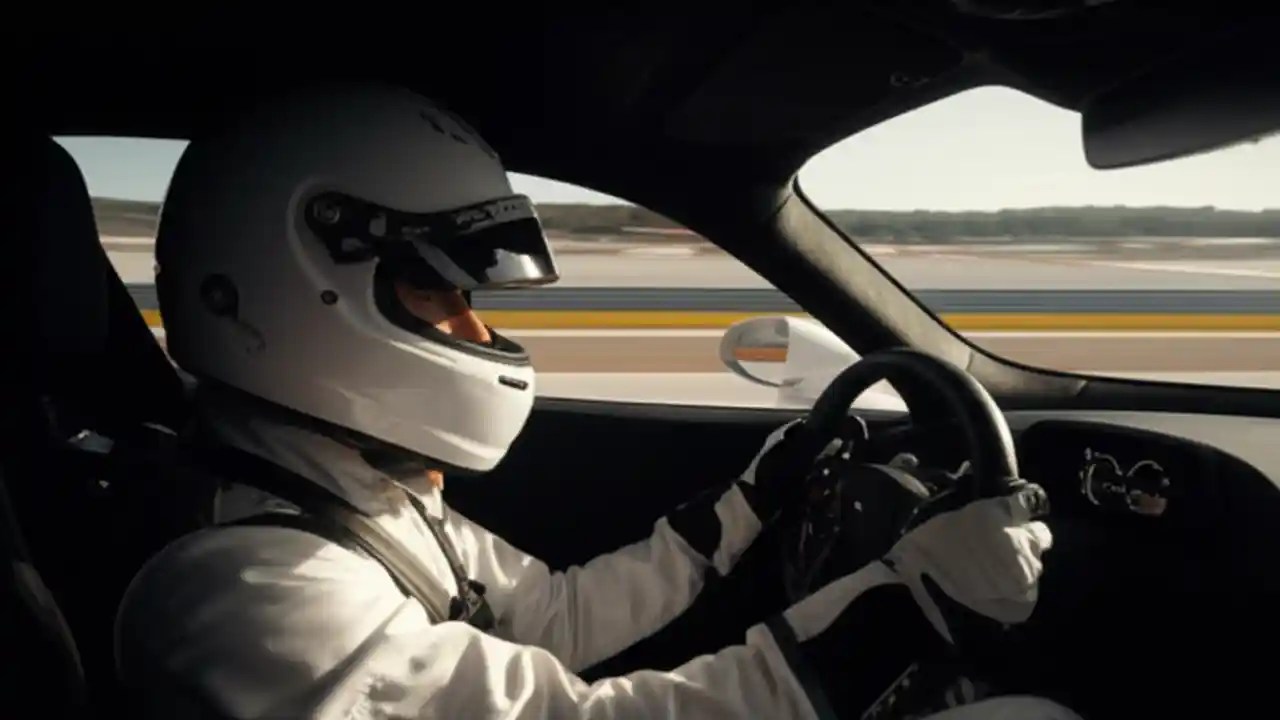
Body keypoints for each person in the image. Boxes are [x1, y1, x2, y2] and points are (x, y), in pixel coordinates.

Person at [114, 82, 1073, 719]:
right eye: (437, 292)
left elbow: (550, 619)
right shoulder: (252, 594)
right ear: (283, 286)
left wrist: (743, 509)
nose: (477, 333)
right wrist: (903, 606)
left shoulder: (362, 495)